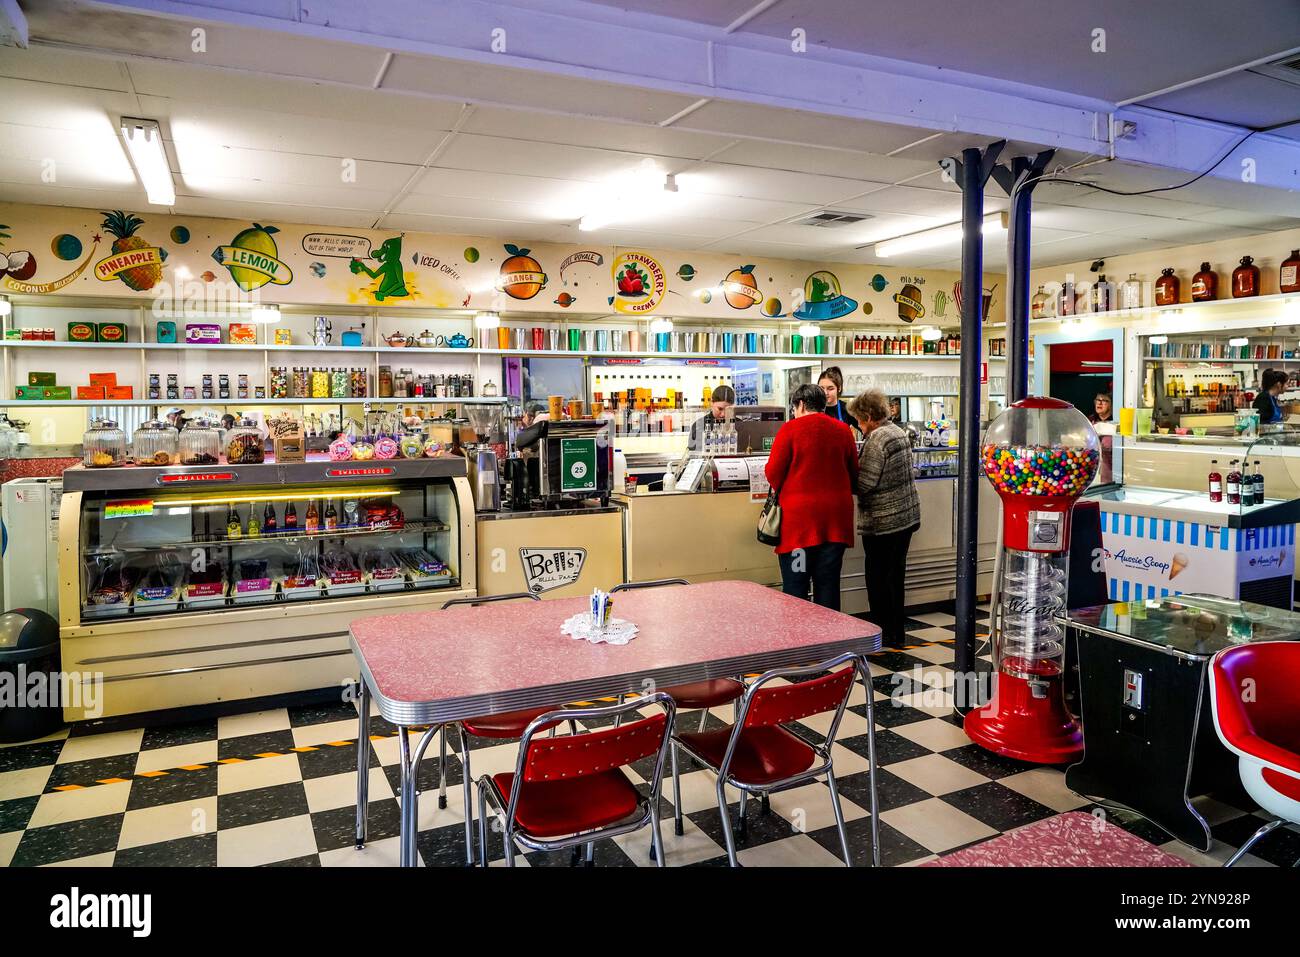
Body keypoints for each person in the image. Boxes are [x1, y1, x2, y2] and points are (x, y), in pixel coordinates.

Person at [763, 383, 858, 610]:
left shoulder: (790, 430)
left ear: (801, 404)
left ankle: (801, 642)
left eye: (794, 408)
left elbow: (773, 474)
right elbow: (855, 475)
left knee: (797, 588)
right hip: (836, 525)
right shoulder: (844, 430)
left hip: (800, 529)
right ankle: (831, 642)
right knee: (828, 585)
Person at [848, 388, 920, 648]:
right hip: (906, 516)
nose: (858, 424)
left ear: (869, 416)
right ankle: (896, 632)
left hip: (884, 521)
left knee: (877, 578)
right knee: (895, 577)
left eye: (859, 419)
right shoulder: (897, 432)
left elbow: (865, 483)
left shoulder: (877, 439)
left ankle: (880, 633)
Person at [688, 385, 735, 452]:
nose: (723, 414)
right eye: (720, 409)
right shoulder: (699, 425)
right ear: (712, 403)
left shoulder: (739, 425)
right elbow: (694, 455)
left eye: (728, 409)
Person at [818, 367, 862, 438]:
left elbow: (866, 428)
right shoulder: (813, 409)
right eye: (821, 388)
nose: (825, 393)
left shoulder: (848, 409)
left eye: (830, 388)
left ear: (839, 388)